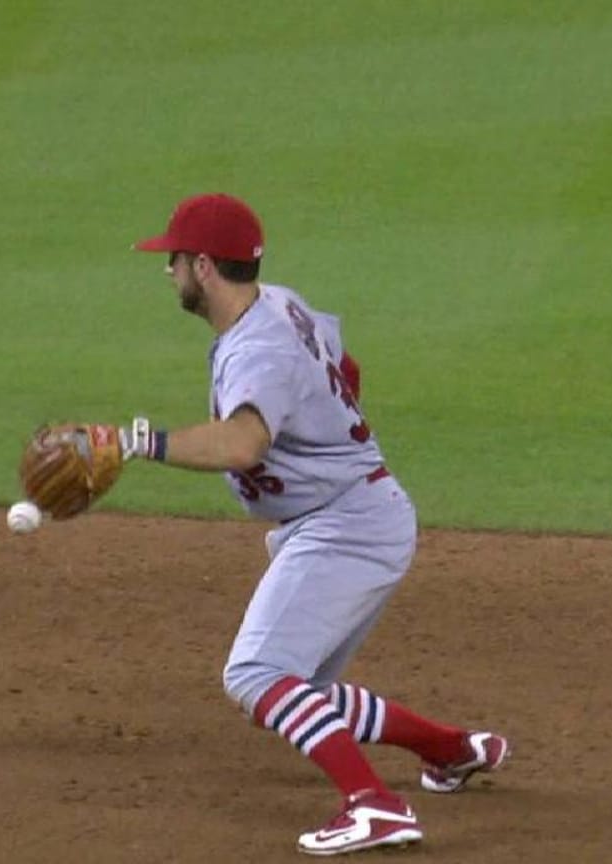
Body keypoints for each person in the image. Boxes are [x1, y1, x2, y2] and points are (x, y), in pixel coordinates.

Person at [115, 193, 509, 856]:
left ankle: (374, 805)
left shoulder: (256, 350)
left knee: (257, 673)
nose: (168, 270)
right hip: (350, 512)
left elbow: (243, 445)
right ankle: (453, 751)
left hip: (344, 523)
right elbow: (344, 367)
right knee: (309, 693)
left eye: (175, 259)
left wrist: (138, 443)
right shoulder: (279, 302)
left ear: (205, 267)